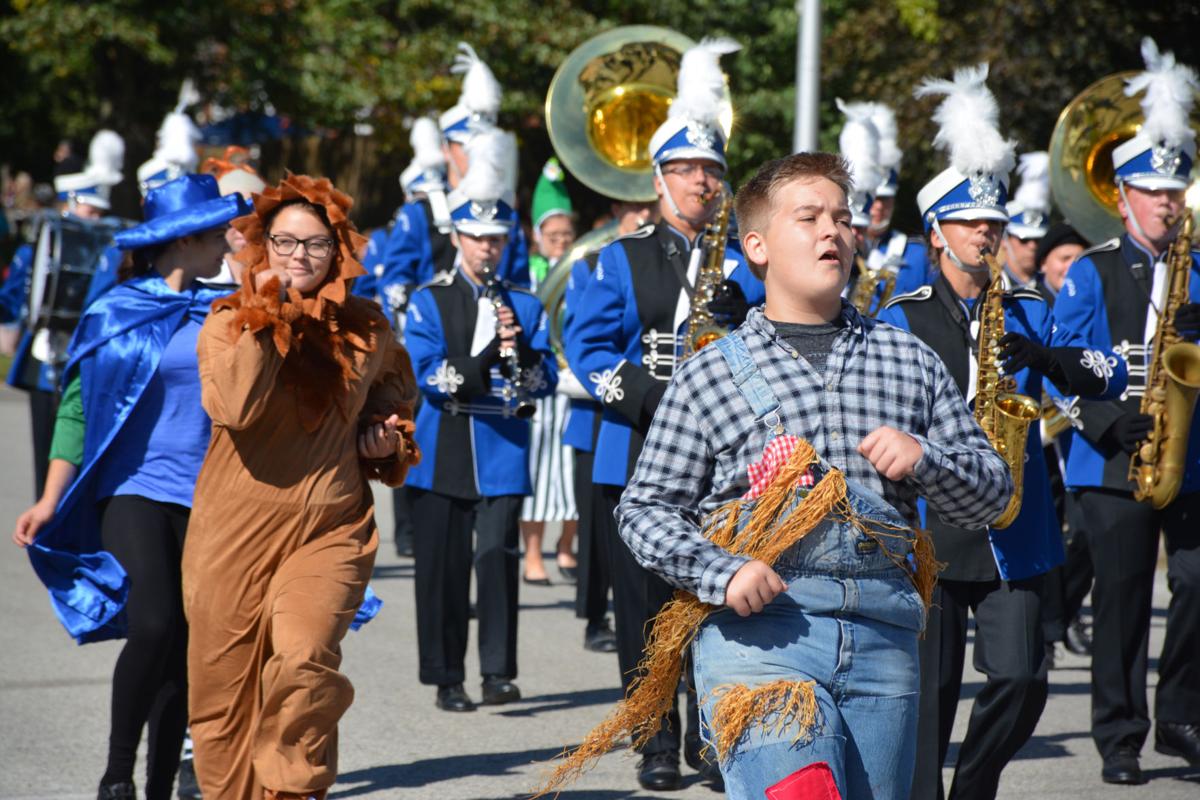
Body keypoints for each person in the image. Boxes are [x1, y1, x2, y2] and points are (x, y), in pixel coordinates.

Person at [542, 150, 1013, 800]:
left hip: (887, 643)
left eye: (844, 219)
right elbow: (644, 509)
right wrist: (721, 571)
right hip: (759, 641)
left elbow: (993, 493)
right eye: (810, 217)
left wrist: (927, 458)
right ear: (756, 246)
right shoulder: (709, 372)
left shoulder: (911, 360)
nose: (833, 232)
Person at [879, 64, 1127, 800]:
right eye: (974, 224)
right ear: (937, 233)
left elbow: (1108, 373)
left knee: (1023, 681)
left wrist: (1048, 355)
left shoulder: (1024, 306)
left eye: (996, 224)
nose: (990, 234)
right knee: (926, 704)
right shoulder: (903, 315)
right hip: (927, 528)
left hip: (1013, 531)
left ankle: (975, 787)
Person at [564, 38, 765, 791]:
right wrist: (651, 397)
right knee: (646, 611)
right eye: (686, 170)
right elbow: (584, 347)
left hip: (726, 460)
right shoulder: (621, 257)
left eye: (712, 170)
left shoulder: (745, 260)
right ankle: (654, 738)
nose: (701, 181)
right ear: (659, 180)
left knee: (716, 600)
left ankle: (713, 737)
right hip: (637, 446)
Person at [11, 173, 250, 800]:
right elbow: (76, 410)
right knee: (152, 624)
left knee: (183, 646)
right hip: (133, 489)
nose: (230, 242)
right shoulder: (117, 309)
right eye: (217, 232)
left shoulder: (231, 311)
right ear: (184, 240)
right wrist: (50, 497)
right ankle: (117, 774)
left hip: (208, 499)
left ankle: (157, 784)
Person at [182, 173, 419, 800]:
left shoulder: (370, 331)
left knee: (304, 656)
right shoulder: (225, 325)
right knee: (221, 701)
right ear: (262, 248)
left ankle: (292, 791)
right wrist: (265, 319)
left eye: (315, 244)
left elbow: (395, 412)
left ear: (338, 252)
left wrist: (384, 441)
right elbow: (234, 407)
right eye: (285, 243)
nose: (299, 257)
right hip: (231, 531)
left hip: (329, 527)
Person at [1051, 38, 1200, 785]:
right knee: (1122, 602)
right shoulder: (1093, 271)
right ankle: (1119, 736)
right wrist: (1101, 418)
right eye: (1154, 192)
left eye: (1176, 192)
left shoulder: (1199, 270)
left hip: (1189, 455)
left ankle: (1179, 714)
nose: (1168, 203)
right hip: (1107, 461)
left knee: (1198, 583)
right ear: (1123, 197)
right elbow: (1056, 372)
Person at [403, 128, 557, 713]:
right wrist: (490, 355)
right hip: (443, 444)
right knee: (442, 570)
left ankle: (497, 672)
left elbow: (541, 383)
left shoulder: (528, 302)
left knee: (496, 561)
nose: (486, 249)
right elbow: (430, 377)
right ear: (458, 237)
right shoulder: (428, 299)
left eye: (495, 238)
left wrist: (530, 360)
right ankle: (446, 676)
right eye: (476, 238)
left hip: (502, 447)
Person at [3, 130, 125, 498]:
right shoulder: (39, 245)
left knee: (84, 454)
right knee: (48, 454)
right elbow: (13, 298)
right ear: (70, 203)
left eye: (99, 213)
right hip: (46, 358)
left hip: (90, 356)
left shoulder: (112, 248)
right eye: (90, 211)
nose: (95, 220)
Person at [561, 197, 658, 654]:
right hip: (610, 415)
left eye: (647, 208)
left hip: (633, 411)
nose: (641, 216)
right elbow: (583, 339)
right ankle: (595, 613)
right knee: (605, 534)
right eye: (632, 209)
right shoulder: (595, 264)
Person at [521, 157, 579, 586]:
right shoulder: (524, 274)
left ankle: (566, 549)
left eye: (566, 236)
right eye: (552, 235)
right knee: (540, 469)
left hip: (575, 380)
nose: (560, 243)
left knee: (572, 471)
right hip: (539, 381)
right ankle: (532, 554)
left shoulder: (585, 269)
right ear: (537, 236)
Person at [861, 102, 932, 295]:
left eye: (885, 199)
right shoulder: (837, 250)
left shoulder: (916, 255)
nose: (877, 206)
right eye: (872, 198)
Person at [1003, 151, 1051, 288]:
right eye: (1024, 240)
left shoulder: (1053, 286)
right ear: (1004, 240)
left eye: (1038, 240)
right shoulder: (991, 284)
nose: (1033, 246)